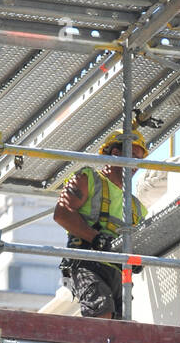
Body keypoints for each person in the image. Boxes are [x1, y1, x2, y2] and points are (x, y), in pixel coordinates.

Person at [54, 129, 148, 319]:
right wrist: (95, 237)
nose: (136, 165)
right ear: (115, 153)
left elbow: (139, 241)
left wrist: (138, 259)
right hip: (86, 261)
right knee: (101, 312)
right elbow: (62, 213)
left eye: (139, 160)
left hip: (118, 272)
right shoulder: (88, 179)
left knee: (121, 328)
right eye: (133, 156)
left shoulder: (137, 207)